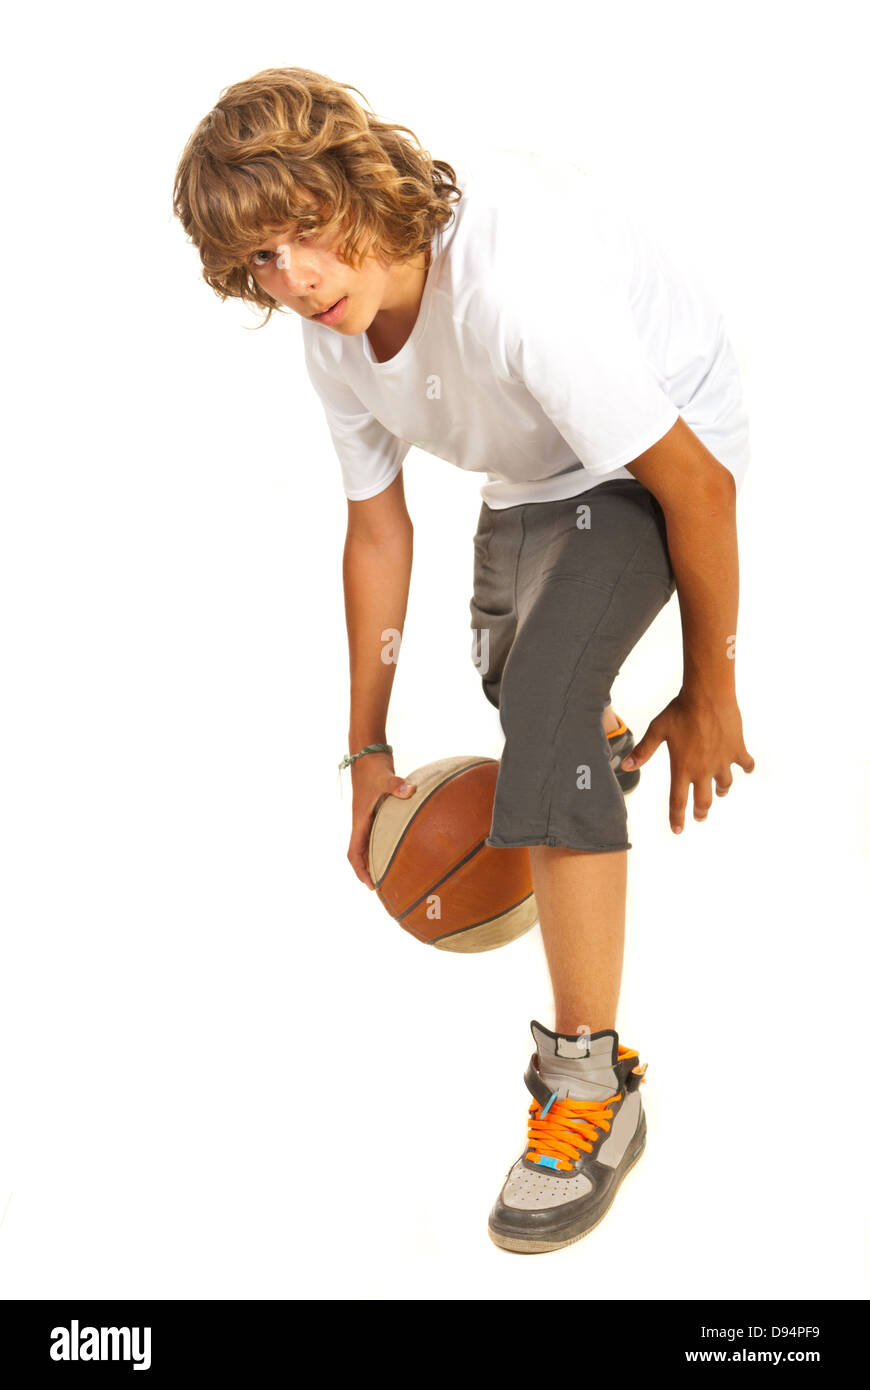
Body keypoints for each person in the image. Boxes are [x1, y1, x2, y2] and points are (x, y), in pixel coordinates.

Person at [173, 66, 755, 1254]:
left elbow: (698, 483)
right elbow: (379, 533)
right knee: (531, 694)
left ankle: (592, 1086)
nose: (294, 282)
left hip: (654, 451)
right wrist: (365, 752)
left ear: (353, 184)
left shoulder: (514, 286)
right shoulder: (329, 338)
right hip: (536, 474)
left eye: (302, 235)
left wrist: (712, 688)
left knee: (541, 703)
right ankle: (576, 744)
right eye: (258, 266)